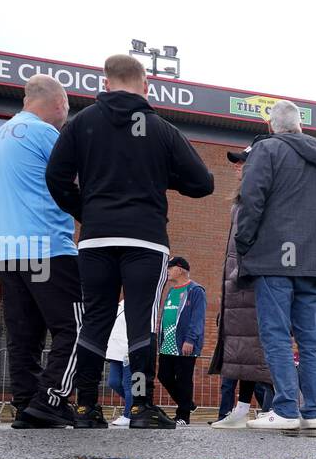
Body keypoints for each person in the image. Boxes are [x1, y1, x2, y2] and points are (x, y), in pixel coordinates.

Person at [46, 54, 214, 430]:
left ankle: (87, 407)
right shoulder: (161, 128)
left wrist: (86, 211)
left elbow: (55, 178)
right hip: (145, 239)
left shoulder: (82, 123)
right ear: (146, 86)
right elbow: (203, 182)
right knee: (141, 323)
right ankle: (140, 406)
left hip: (96, 238)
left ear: (104, 83)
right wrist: (158, 178)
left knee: (95, 321)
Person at [234, 100, 316, 434]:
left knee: (277, 335)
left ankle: (284, 407)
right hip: (310, 265)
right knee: (310, 341)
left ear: (272, 126)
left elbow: (251, 201)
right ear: (300, 126)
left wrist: (245, 244)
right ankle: (312, 411)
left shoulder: (265, 150)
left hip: (272, 260)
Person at [0, 74, 83, 429]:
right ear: (60, 103)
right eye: (66, 109)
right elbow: (77, 181)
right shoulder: (46, 134)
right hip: (48, 248)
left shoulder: (2, 134)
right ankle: (50, 399)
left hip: (9, 250)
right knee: (75, 327)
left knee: (23, 335)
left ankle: (27, 405)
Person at [210, 140, 276, 430]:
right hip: (239, 282)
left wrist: (243, 272)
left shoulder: (258, 198)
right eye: (236, 162)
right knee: (245, 350)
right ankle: (242, 408)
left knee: (259, 348)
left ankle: (281, 407)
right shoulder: (241, 200)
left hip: (252, 280)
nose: (237, 167)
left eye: (242, 162)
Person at [155, 256, 206, 427]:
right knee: (163, 375)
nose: (167, 271)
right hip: (167, 343)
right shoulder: (171, 291)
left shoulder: (196, 290)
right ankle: (188, 404)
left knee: (184, 379)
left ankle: (183, 415)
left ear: (180, 269)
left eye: (170, 268)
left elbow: (197, 319)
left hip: (184, 343)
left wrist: (190, 339)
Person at [105, 301, 132, 427]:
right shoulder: (118, 304)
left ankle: (128, 415)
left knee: (129, 384)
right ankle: (136, 405)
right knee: (113, 382)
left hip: (129, 350)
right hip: (114, 352)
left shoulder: (135, 302)